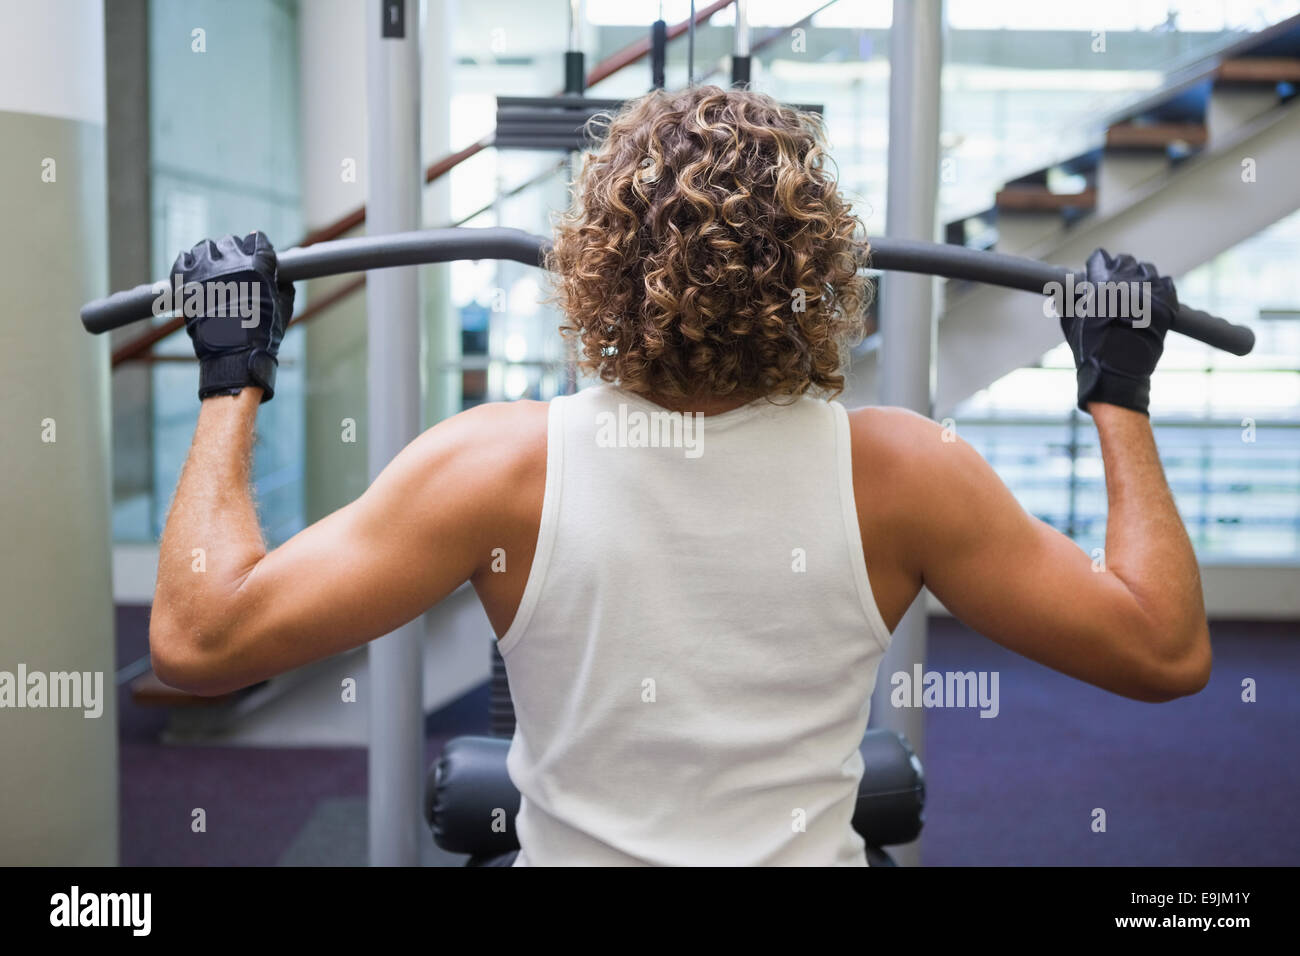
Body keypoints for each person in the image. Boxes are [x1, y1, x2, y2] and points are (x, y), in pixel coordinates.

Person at [150, 86, 1211, 867]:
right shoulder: (906, 470)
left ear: (595, 261)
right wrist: (1117, 388)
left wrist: (230, 373)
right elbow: (1162, 650)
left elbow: (200, 639)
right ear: (820, 266)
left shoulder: (497, 462)